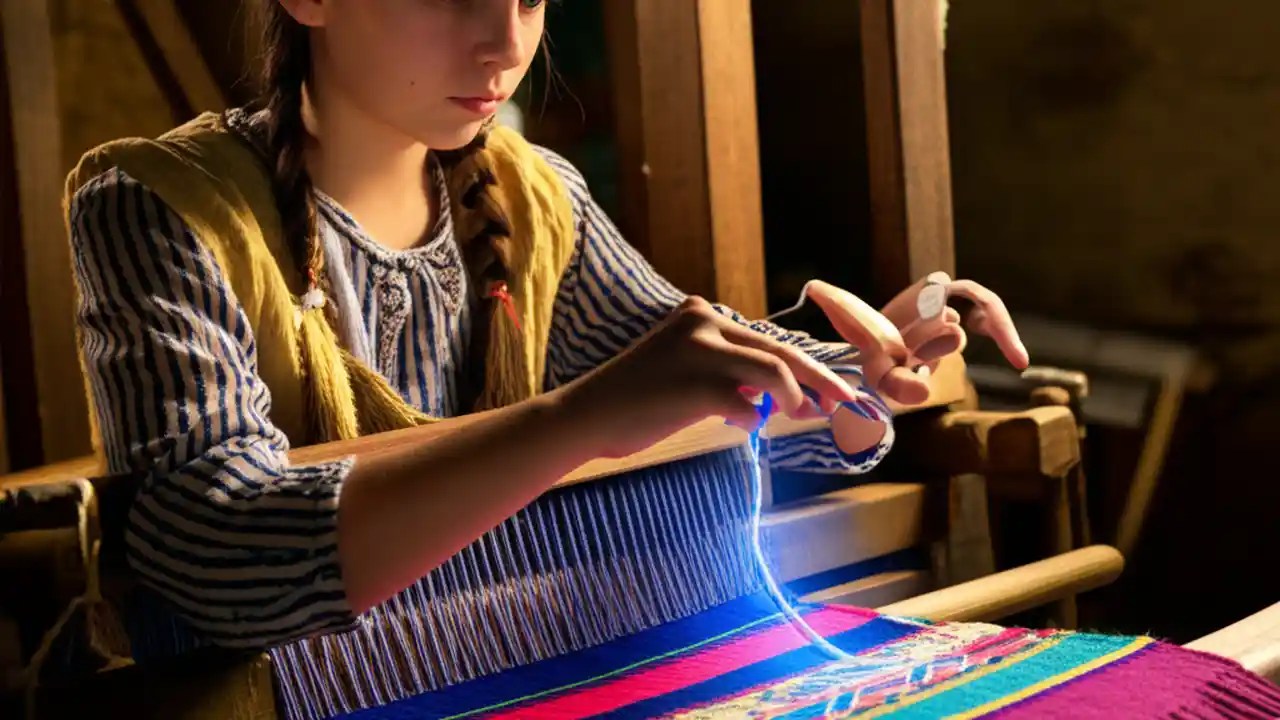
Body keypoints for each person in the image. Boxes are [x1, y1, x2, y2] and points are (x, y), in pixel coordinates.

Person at [64, 0, 1026, 654]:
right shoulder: (156, 209)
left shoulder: (534, 199)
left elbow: (687, 385)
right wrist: (575, 423)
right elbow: (206, 557)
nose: (503, 45)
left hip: (535, 664)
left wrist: (850, 377)